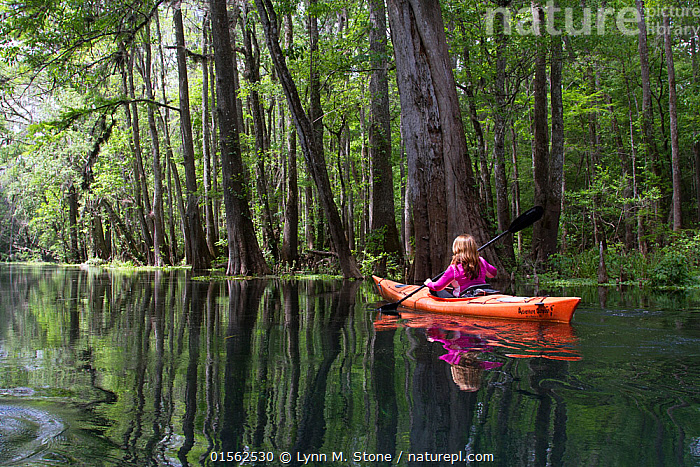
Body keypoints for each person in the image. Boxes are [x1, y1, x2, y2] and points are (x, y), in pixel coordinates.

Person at [423, 234, 497, 298]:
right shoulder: (481, 261)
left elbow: (437, 287)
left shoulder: (454, 268)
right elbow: (493, 274)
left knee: (433, 290)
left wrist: (429, 283)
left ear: (456, 249)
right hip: (481, 294)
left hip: (464, 298)